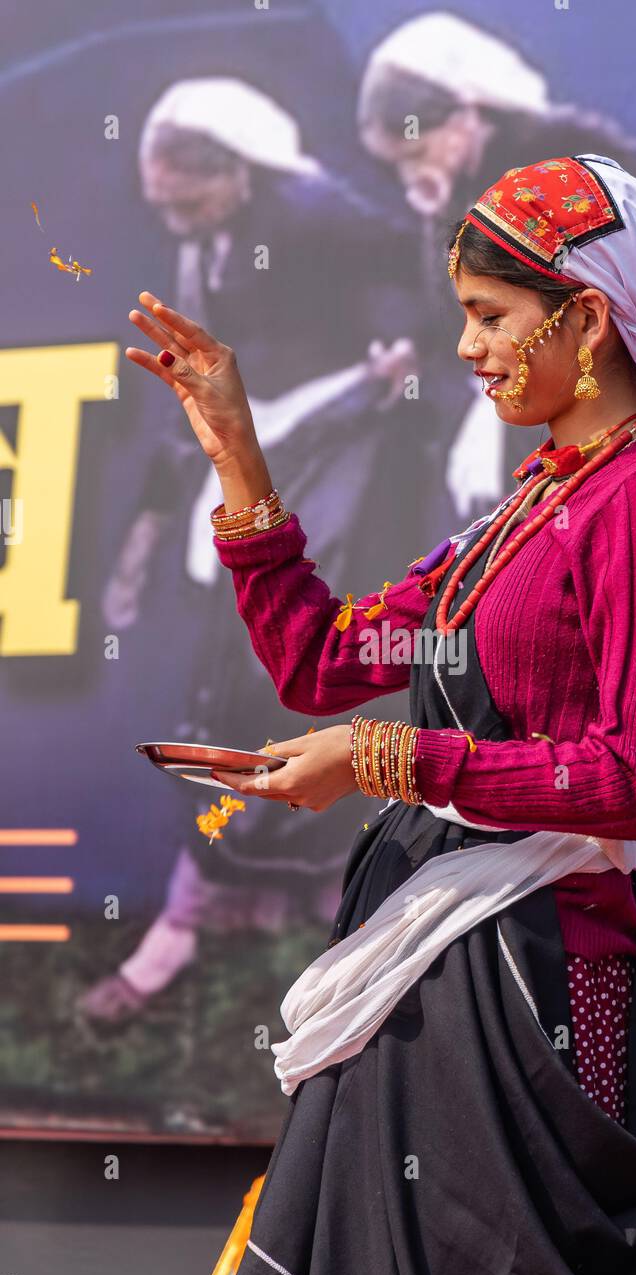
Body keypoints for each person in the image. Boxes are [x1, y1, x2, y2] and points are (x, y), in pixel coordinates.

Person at [124, 153, 636, 1275]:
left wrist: (385, 757)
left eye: (491, 317)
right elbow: (320, 657)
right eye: (463, 319)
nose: (469, 348)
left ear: (585, 318)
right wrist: (235, 447)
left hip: (542, 972)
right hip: (435, 950)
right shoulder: (530, 505)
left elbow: (632, 777)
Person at [81, 78, 419, 1022]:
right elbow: (193, 402)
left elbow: (418, 263)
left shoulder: (311, 212)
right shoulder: (202, 251)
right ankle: (207, 912)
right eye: (162, 202)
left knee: (299, 684)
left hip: (339, 476)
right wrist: (146, 532)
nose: (174, 214)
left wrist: (396, 353)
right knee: (228, 682)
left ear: (237, 172)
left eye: (187, 195)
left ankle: (347, 931)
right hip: (252, 474)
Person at [356, 11, 636, 526]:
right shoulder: (456, 186)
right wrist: (414, 348)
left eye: (418, 153)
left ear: (466, 117)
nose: (412, 175)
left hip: (594, 395)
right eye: (399, 165)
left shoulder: (559, 156)